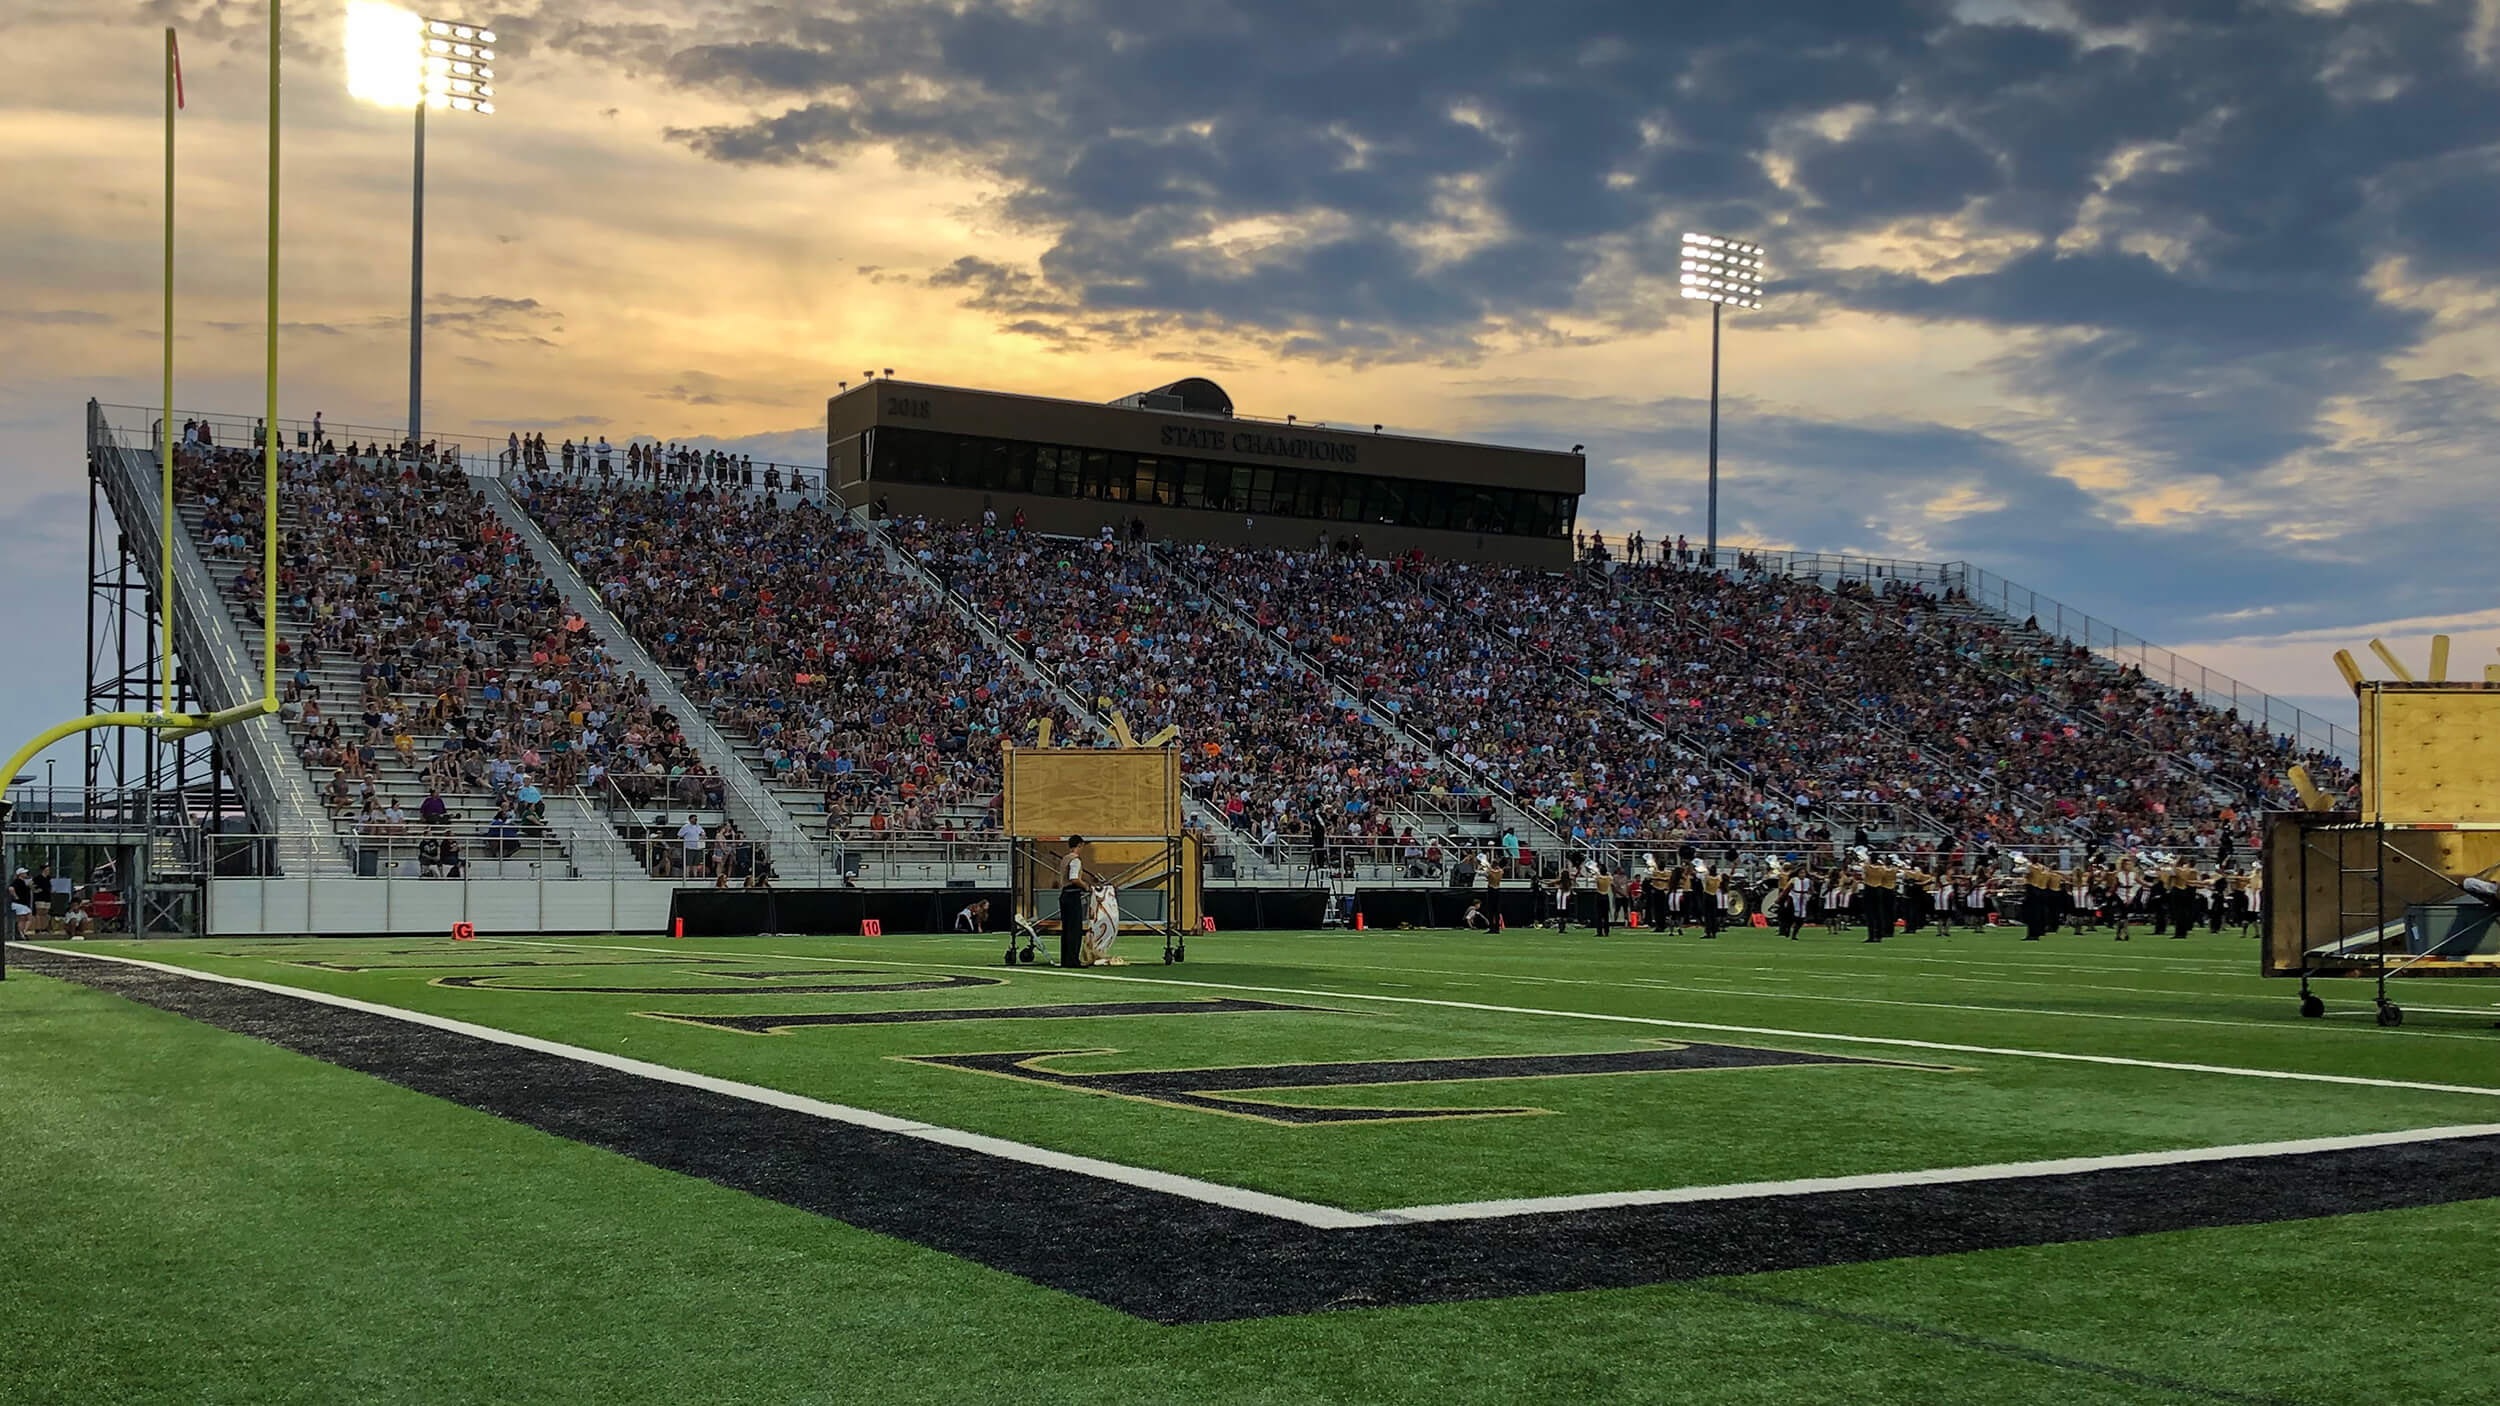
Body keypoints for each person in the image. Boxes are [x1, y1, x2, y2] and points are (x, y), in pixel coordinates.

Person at [1058, 835, 1089, 967]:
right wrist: (1086, 886)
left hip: (1064, 895)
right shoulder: (1075, 860)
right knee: (1074, 929)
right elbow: (1074, 878)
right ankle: (1073, 960)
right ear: (1080, 845)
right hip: (1072, 896)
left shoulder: (1065, 858)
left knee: (1066, 929)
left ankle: (1065, 959)